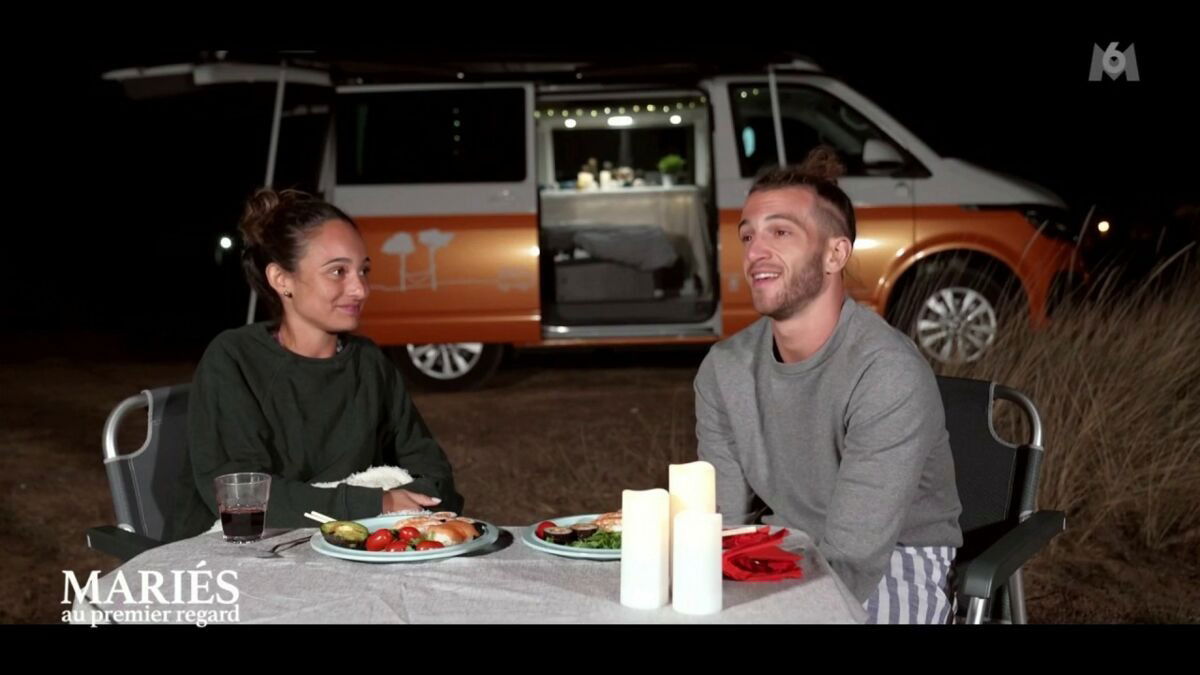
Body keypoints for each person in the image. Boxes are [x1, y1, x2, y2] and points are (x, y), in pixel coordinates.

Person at [694, 147, 963, 624]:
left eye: (781, 232)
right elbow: (726, 526)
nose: (756, 251)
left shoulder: (885, 371)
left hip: (894, 560)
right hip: (782, 547)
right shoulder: (724, 369)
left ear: (835, 253)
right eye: (748, 235)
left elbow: (855, 559)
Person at [165, 189, 463, 541]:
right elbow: (240, 495)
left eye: (363, 270)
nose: (360, 289)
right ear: (282, 280)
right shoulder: (235, 360)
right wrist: (374, 503)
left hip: (344, 547)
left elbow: (429, 464)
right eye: (338, 271)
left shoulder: (368, 362)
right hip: (234, 556)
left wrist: (416, 499)